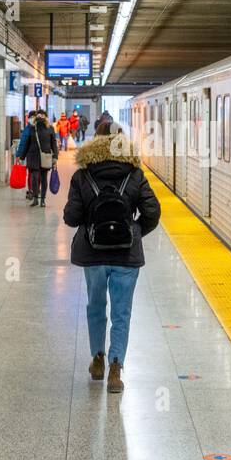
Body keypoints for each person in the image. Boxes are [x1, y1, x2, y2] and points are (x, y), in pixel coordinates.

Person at [63, 121, 161, 393]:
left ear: (95, 141)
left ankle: (97, 360)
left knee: (96, 307)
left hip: (94, 255)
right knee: (122, 312)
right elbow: (152, 211)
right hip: (126, 255)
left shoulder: (83, 175)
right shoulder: (135, 173)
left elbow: (71, 217)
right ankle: (116, 368)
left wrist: (89, 221)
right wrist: (135, 231)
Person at [21, 113, 58, 208]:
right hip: (33, 157)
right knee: (34, 178)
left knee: (43, 178)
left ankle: (42, 200)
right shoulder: (32, 128)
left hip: (45, 157)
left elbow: (53, 143)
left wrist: (55, 156)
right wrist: (22, 156)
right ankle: (35, 199)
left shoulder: (50, 128)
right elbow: (27, 143)